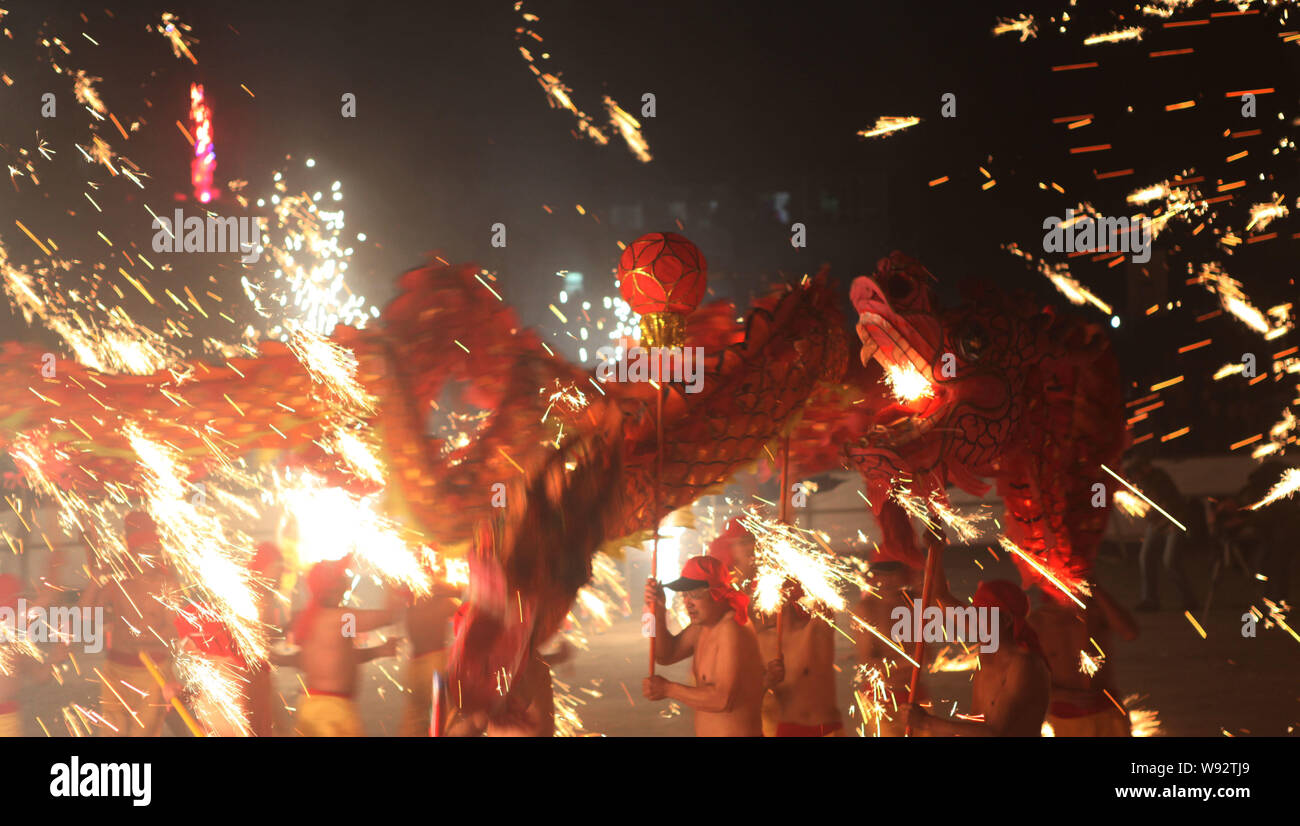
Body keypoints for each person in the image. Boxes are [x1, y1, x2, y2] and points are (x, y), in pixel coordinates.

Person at [903, 580, 1051, 737]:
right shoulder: (989, 646)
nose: (973, 621)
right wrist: (935, 558)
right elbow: (939, 597)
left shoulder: (1024, 664)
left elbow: (995, 733)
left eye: (979, 615)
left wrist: (926, 722)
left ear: (1006, 620)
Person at [641, 555, 766, 736]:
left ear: (717, 593)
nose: (687, 603)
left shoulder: (732, 627)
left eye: (695, 594)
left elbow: (722, 700)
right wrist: (656, 610)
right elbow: (664, 656)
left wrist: (668, 689)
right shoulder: (703, 626)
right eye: (684, 595)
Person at [81, 512, 180, 736]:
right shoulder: (117, 585)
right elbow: (84, 615)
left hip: (153, 672)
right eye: (142, 552)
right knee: (111, 732)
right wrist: (96, 578)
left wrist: (144, 638)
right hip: (116, 670)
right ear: (131, 553)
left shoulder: (168, 586)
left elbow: (174, 630)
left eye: (152, 552)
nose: (148, 558)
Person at [286, 558, 400, 737]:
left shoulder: (312, 618)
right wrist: (393, 580)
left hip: (310, 706)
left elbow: (345, 655)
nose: (346, 584)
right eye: (340, 580)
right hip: (333, 714)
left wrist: (379, 650)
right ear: (332, 588)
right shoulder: (342, 618)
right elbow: (388, 616)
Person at [1028, 584, 1138, 736]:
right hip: (1067, 717)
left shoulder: (1096, 612)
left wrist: (1095, 587)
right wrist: (1062, 695)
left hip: (1107, 710)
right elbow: (1028, 681)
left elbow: (1130, 633)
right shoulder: (1037, 622)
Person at [1125, 451, 1196, 611]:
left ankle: (1188, 599)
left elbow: (1165, 505)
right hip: (1157, 524)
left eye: (1137, 471)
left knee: (1170, 561)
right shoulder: (1141, 482)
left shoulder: (1159, 479)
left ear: (1145, 469)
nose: (1135, 476)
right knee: (1146, 558)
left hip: (1174, 522)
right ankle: (1150, 600)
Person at [399, 576, 460, 737]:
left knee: (415, 722)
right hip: (435, 665)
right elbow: (468, 613)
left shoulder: (412, 597)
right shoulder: (442, 601)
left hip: (414, 665)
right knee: (445, 722)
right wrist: (458, 590)